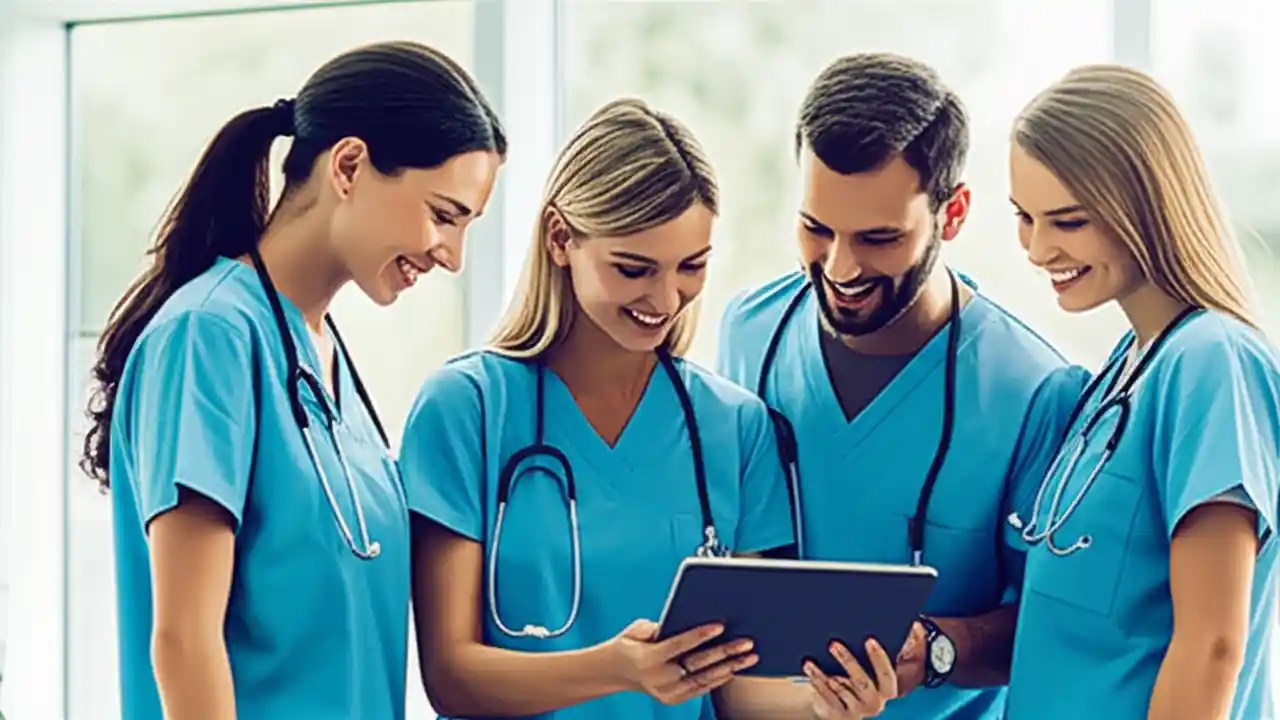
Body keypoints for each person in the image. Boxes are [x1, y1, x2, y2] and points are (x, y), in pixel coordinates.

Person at [81, 41, 505, 720]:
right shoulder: (210, 336)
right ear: (348, 166)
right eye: (443, 215)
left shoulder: (322, 353)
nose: (451, 256)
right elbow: (183, 642)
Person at [399, 98, 810, 720]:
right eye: (634, 268)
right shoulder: (467, 410)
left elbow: (738, 689)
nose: (666, 297)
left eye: (691, 267)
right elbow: (451, 675)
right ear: (561, 238)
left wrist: (828, 707)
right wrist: (616, 669)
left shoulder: (734, 428)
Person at [713, 53, 1090, 719]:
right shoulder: (749, 333)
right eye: (816, 228)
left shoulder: (1036, 390)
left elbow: (1050, 625)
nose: (840, 266)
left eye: (879, 238)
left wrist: (937, 648)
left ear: (953, 214)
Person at [1005, 64, 1280, 720]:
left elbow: (1213, 645)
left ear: (1145, 206)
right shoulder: (1119, 376)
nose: (1039, 249)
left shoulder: (1212, 362)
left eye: (1068, 222)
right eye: (1024, 218)